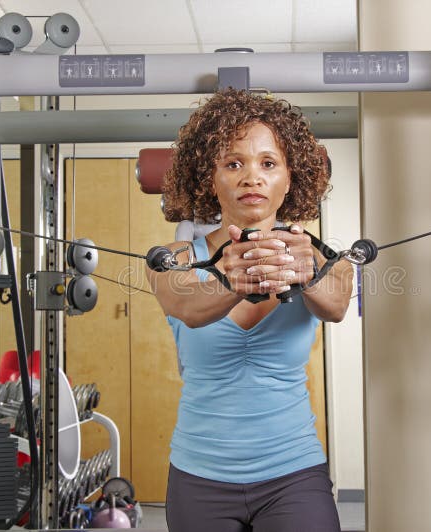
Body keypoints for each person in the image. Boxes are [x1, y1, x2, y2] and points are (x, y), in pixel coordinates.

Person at [146, 88, 353, 532]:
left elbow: (336, 306)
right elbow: (186, 305)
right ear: (210, 178)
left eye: (268, 163)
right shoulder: (175, 255)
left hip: (293, 473)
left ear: (289, 178)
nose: (251, 178)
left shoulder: (317, 256)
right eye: (233, 163)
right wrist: (235, 282)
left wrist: (306, 274)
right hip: (199, 475)